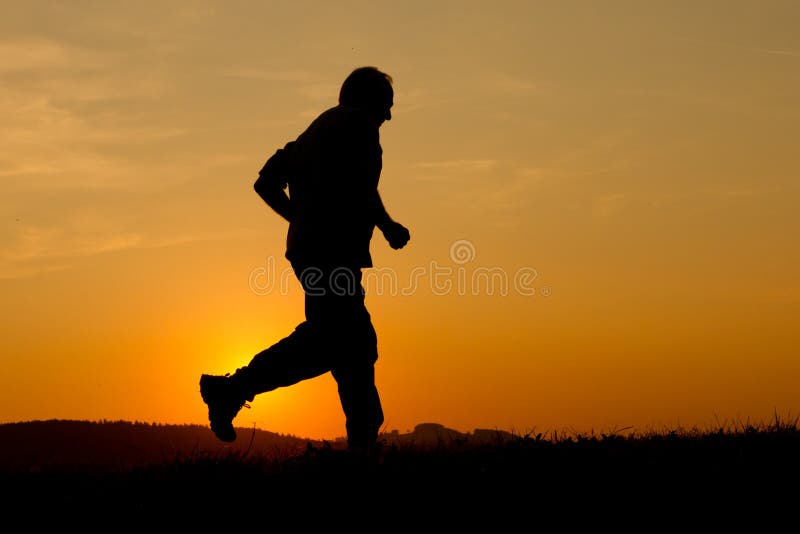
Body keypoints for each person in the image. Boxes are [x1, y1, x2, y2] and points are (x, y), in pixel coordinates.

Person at [200, 66, 410, 452]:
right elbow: (362, 186)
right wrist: (387, 225)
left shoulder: (314, 132)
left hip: (310, 249)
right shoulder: (360, 126)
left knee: (348, 342)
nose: (389, 116)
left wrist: (298, 218)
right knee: (339, 340)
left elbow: (265, 181)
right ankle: (231, 389)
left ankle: (362, 444)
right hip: (333, 252)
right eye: (387, 106)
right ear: (369, 100)